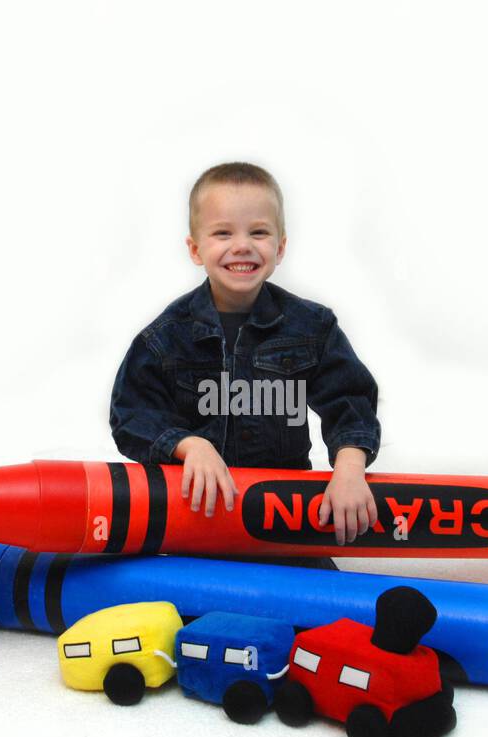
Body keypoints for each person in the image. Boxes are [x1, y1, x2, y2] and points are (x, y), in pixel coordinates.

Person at [110, 162, 381, 546]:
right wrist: (189, 445)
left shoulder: (312, 327)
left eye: (259, 232)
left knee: (314, 604)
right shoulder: (164, 338)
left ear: (280, 247)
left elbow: (350, 401)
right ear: (195, 249)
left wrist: (350, 470)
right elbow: (132, 414)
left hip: (283, 516)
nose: (242, 245)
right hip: (194, 518)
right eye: (222, 233)